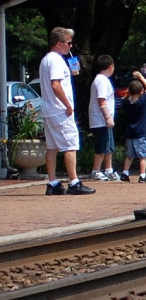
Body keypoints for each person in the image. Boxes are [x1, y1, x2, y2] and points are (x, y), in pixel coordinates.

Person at [38, 27, 95, 195]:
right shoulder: (55, 60)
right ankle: (74, 182)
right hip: (60, 110)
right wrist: (67, 104)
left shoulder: (45, 60)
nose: (71, 46)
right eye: (69, 43)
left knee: (52, 146)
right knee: (70, 144)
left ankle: (53, 182)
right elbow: (55, 84)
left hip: (49, 110)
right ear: (59, 43)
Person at [120, 71, 146, 183]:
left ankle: (125, 173)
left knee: (129, 155)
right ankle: (142, 175)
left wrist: (128, 93)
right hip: (141, 132)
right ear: (140, 92)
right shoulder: (142, 101)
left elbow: (125, 98)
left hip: (130, 132)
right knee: (143, 156)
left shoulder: (126, 103)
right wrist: (141, 77)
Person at [88, 55, 117, 181]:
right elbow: (101, 99)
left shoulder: (104, 80)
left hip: (105, 120)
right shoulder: (101, 80)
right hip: (100, 120)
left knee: (108, 146)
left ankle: (109, 169)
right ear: (110, 67)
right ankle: (96, 170)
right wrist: (107, 117)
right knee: (101, 146)